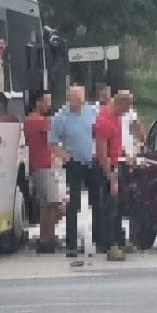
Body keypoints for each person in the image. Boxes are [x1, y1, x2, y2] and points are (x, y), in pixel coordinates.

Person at [49, 84, 97, 258]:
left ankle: (100, 240)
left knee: (97, 201)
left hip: (92, 161)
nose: (80, 102)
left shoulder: (92, 111)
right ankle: (71, 244)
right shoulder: (60, 117)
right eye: (77, 99)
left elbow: (98, 133)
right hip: (74, 163)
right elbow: (52, 143)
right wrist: (66, 156)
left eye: (82, 99)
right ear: (70, 99)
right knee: (73, 204)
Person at [94, 92, 130, 261]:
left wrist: (125, 155)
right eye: (127, 107)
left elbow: (116, 144)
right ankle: (109, 245)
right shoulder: (104, 121)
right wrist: (111, 178)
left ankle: (119, 240)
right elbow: (102, 154)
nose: (127, 112)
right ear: (120, 103)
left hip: (116, 163)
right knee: (110, 208)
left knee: (119, 206)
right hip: (105, 167)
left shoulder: (117, 117)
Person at [23, 90, 57, 253]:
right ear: (38, 102)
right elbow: (52, 139)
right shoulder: (40, 121)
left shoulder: (28, 120)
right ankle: (48, 238)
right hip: (44, 165)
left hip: (35, 165)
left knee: (45, 205)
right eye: (47, 101)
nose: (49, 105)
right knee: (53, 203)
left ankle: (45, 239)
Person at [116, 90, 146, 250]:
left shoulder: (129, 114)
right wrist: (125, 155)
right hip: (119, 161)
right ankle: (118, 238)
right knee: (119, 202)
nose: (131, 107)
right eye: (129, 103)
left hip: (129, 160)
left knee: (131, 200)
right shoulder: (112, 115)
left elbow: (140, 130)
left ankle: (133, 237)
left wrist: (141, 146)